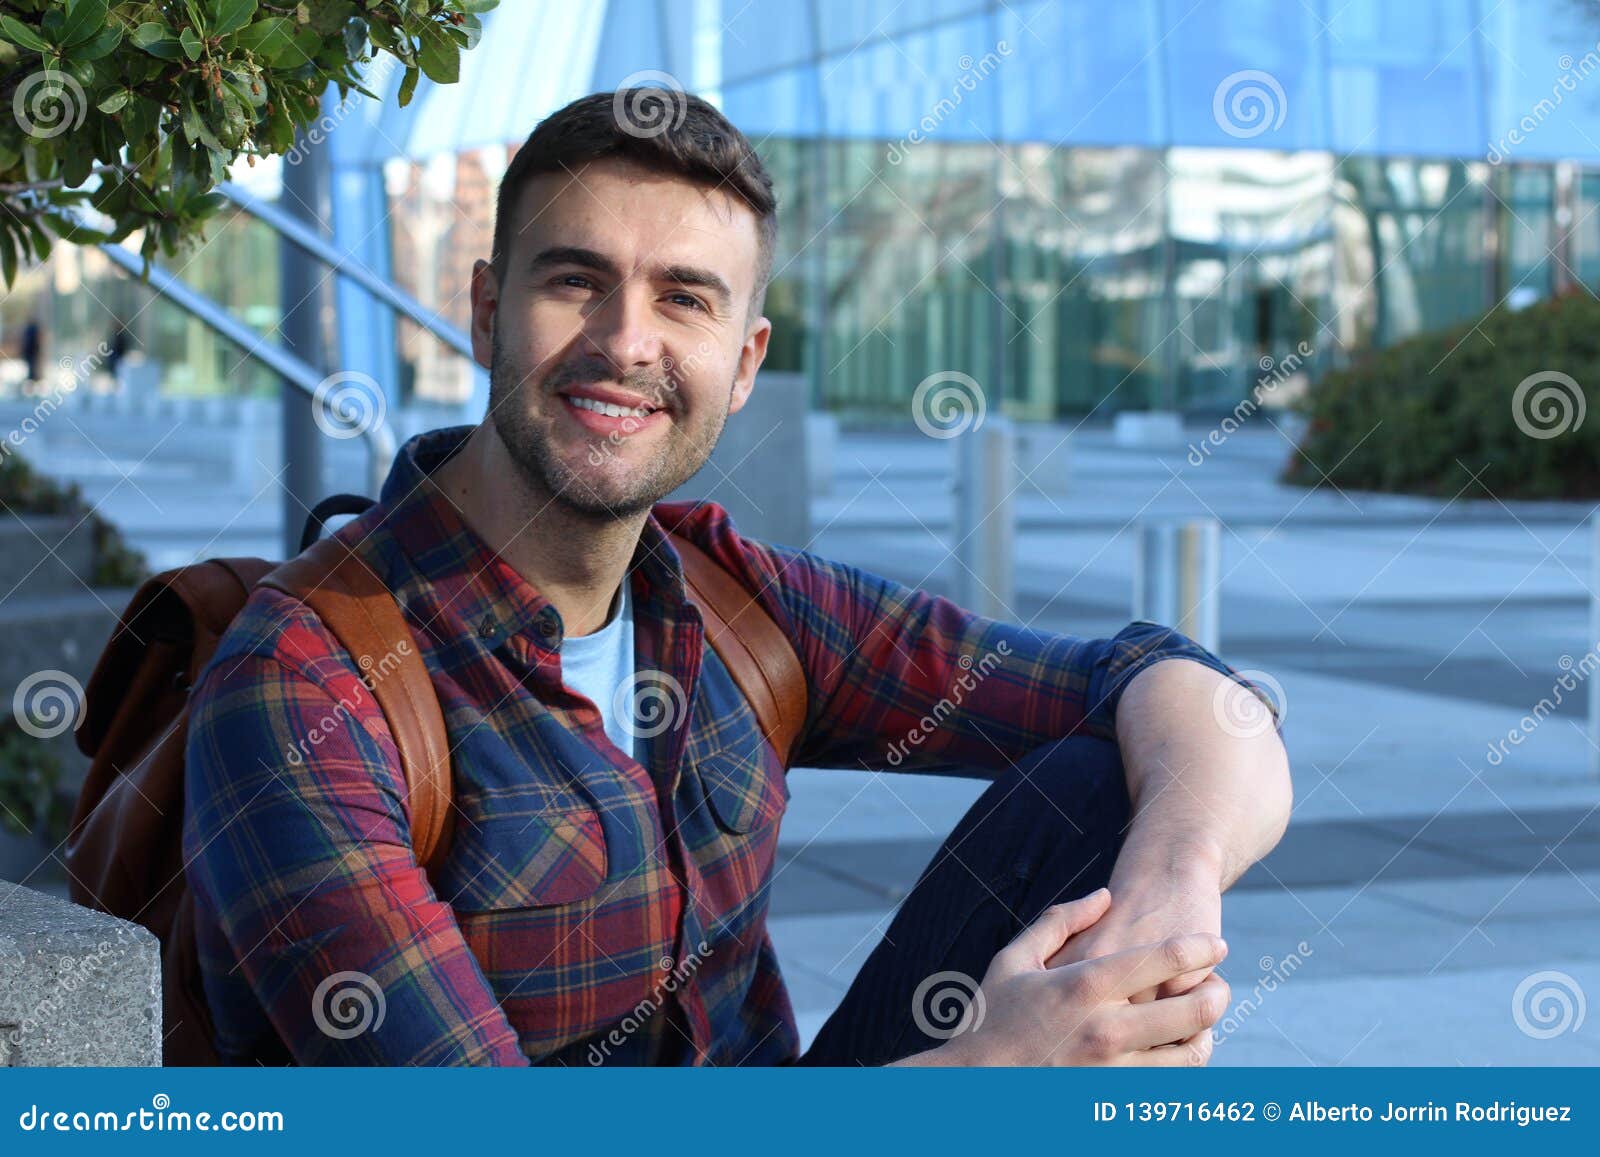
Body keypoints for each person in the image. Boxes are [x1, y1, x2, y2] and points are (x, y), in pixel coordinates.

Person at [183, 89, 1292, 1067]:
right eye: (576, 280)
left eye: (684, 298)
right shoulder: (305, 690)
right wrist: (989, 1075)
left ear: (745, 360)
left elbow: (1184, 690)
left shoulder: (731, 602)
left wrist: (1169, 893)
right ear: (484, 310)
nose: (624, 341)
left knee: (1108, 781)